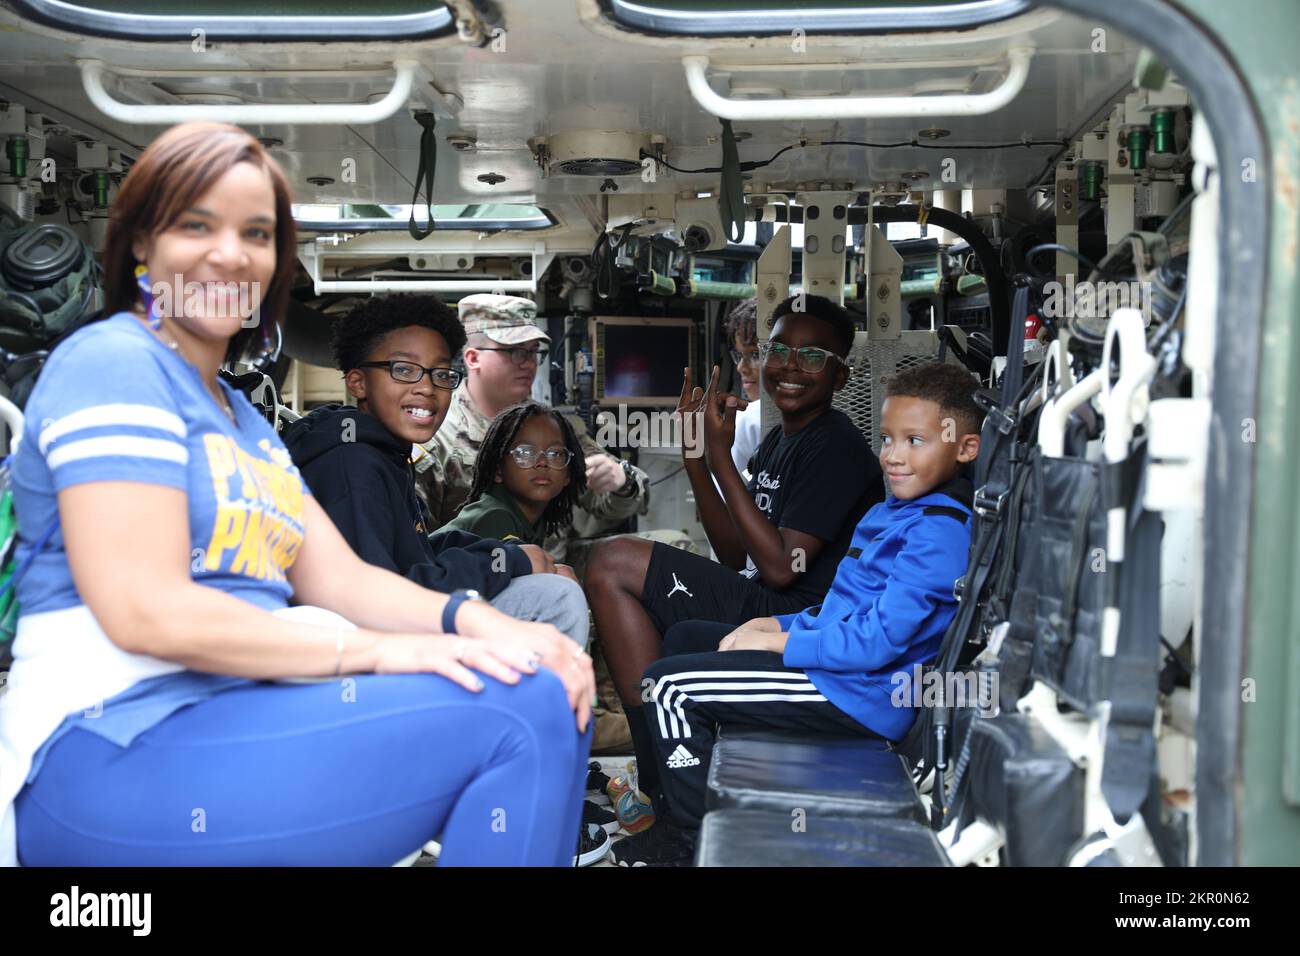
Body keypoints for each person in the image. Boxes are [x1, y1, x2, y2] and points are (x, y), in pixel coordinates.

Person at [0, 122, 595, 868]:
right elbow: (143, 609)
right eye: (197, 224)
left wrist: (481, 623)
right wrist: (382, 654)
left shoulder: (237, 416)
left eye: (256, 232)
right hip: (112, 744)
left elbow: (339, 577)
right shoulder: (115, 363)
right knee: (527, 711)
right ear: (144, 244)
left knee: (538, 682)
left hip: (234, 717)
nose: (229, 251)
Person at [610, 361, 983, 865]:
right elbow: (844, 610)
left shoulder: (938, 532)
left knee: (670, 687)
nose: (893, 456)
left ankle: (688, 841)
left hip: (860, 694)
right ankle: (677, 793)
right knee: (684, 638)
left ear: (965, 449)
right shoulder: (893, 511)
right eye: (889, 439)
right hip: (839, 671)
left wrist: (780, 643)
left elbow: (877, 641)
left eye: (915, 441)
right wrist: (777, 624)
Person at [586, 293, 884, 822]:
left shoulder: (834, 447)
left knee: (612, 561)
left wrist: (721, 458)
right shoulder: (780, 440)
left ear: (840, 377)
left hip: (792, 616)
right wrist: (698, 457)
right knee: (621, 576)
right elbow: (733, 553)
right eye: (779, 351)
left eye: (813, 357)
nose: (790, 367)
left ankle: (656, 782)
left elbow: (780, 566)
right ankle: (658, 778)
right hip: (760, 593)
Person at [280, 295, 589, 649]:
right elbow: (382, 600)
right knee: (556, 598)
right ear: (358, 382)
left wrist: (506, 553)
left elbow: (417, 554)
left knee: (551, 584)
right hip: (370, 649)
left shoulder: (385, 453)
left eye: (441, 374)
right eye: (404, 369)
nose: (427, 387)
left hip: (393, 626)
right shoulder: (352, 463)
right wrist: (507, 562)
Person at [413, 294, 650, 561]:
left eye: (533, 351)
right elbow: (417, 543)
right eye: (514, 351)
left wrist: (621, 481)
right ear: (472, 358)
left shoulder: (553, 428)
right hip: (473, 573)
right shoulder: (434, 437)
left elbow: (622, 500)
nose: (527, 363)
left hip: (556, 564)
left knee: (666, 550)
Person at [444, 401, 587, 547]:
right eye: (524, 452)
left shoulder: (535, 518)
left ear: (568, 474)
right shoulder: (494, 518)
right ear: (498, 470)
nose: (543, 462)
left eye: (555, 453)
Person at [722, 297, 763, 480]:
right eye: (739, 355)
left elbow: (723, 503)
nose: (741, 367)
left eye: (755, 354)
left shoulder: (750, 418)